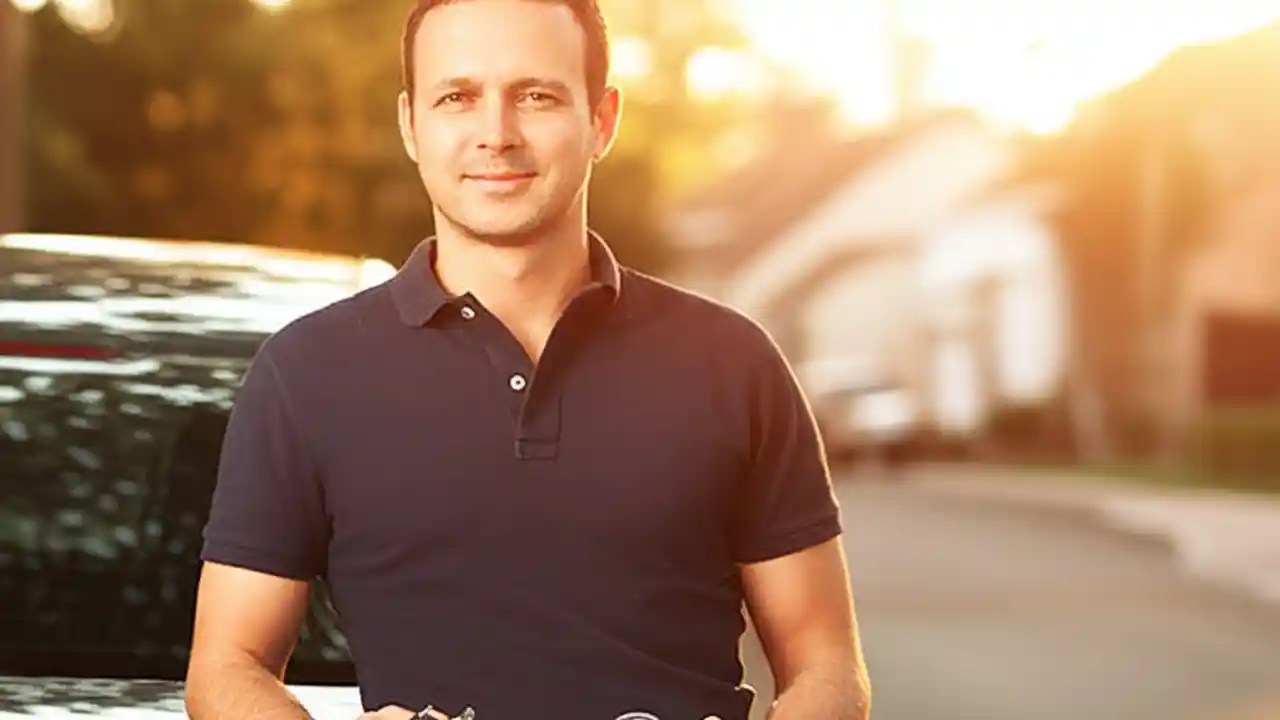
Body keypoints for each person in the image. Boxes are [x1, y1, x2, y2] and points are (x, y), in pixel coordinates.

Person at [183, 0, 872, 718]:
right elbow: (228, 667)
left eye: (536, 96)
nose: (496, 134)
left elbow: (826, 665)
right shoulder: (306, 374)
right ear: (411, 125)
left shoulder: (734, 364)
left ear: (601, 120)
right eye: (457, 97)